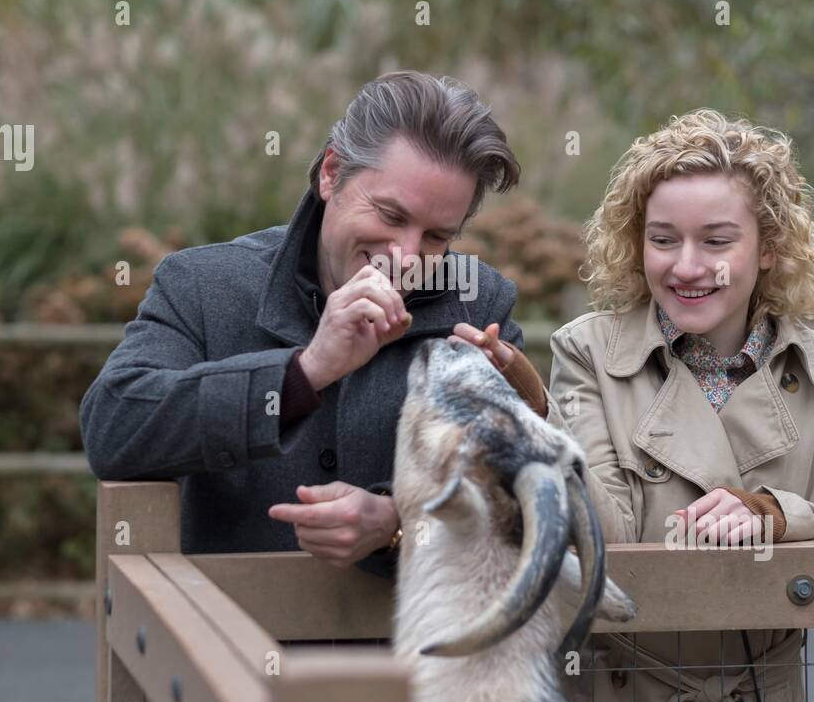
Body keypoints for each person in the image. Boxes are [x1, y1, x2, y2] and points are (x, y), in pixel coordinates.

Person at [79, 71, 550, 581]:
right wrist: (304, 372)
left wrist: (398, 523)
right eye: (390, 214)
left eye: (436, 236)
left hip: (407, 656)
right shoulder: (202, 283)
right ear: (332, 173)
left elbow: (519, 506)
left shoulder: (479, 301)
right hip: (224, 648)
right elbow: (114, 429)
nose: (406, 256)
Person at [549, 108, 814, 702]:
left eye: (716, 240)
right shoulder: (586, 353)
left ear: (768, 248)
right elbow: (605, 539)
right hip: (622, 691)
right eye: (662, 239)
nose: (686, 266)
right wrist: (529, 408)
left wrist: (779, 515)